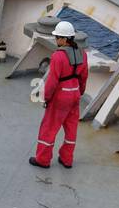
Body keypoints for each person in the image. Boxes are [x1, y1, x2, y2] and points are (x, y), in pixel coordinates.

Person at [30, 20, 88, 170]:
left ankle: (43, 159)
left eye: (57, 37)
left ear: (64, 39)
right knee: (71, 128)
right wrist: (80, 91)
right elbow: (84, 77)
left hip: (61, 96)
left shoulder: (58, 56)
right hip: (75, 93)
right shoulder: (83, 54)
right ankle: (67, 159)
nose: (56, 40)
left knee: (49, 128)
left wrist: (46, 98)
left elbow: (52, 81)